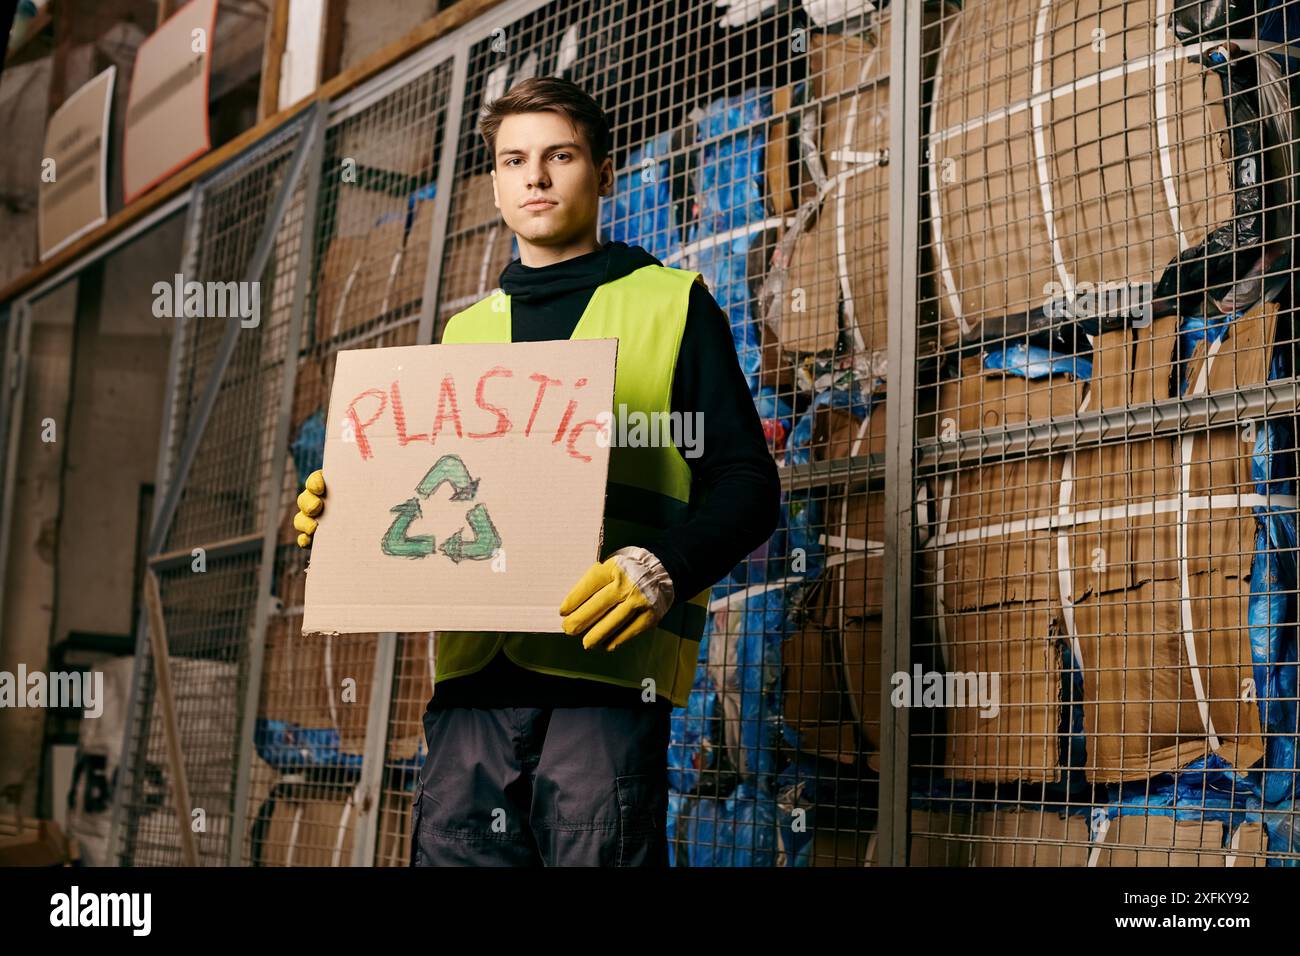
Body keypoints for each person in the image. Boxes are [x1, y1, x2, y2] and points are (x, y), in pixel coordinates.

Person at [293, 76, 780, 866]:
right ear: (494, 182)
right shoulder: (461, 337)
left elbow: (748, 485)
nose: (538, 177)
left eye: (561, 155)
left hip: (605, 683)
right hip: (471, 690)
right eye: (515, 160)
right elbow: (432, 495)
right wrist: (346, 509)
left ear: (604, 172)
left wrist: (663, 568)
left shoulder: (672, 305)